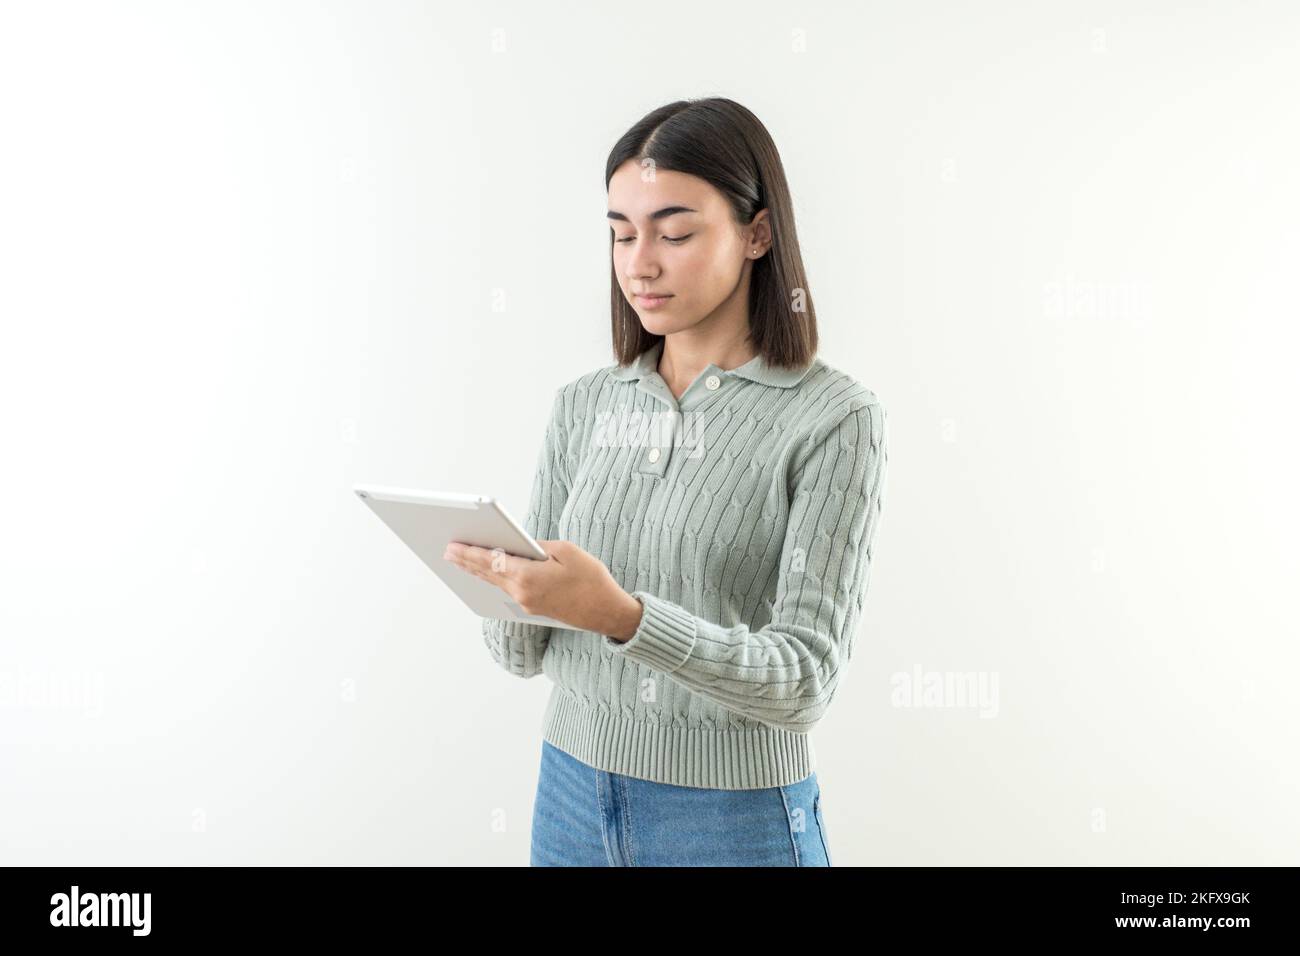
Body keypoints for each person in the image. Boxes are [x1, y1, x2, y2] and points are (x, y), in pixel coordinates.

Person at [444, 96, 888, 866]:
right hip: (571, 800)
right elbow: (519, 654)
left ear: (758, 233)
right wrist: (500, 585)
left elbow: (806, 679)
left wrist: (623, 617)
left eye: (674, 232)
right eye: (620, 233)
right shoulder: (585, 404)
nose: (638, 262)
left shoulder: (832, 417)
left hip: (731, 823)